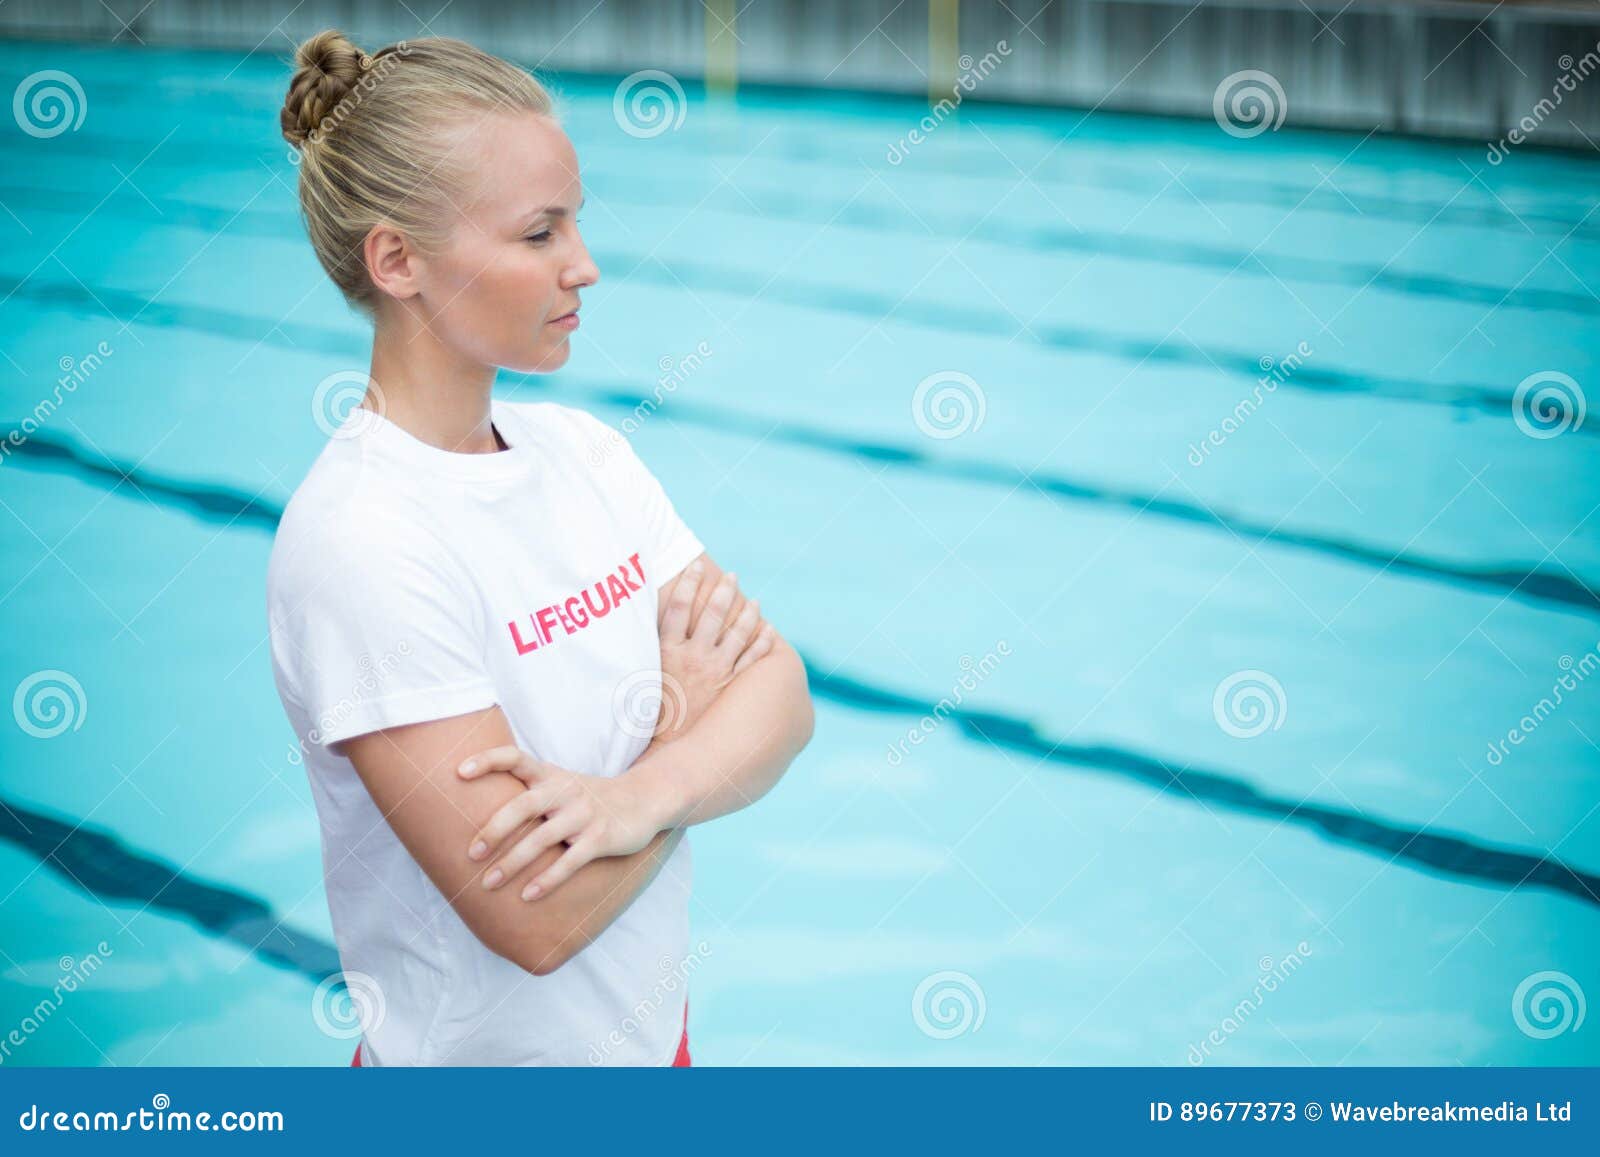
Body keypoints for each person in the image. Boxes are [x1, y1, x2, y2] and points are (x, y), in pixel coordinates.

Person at [265, 30, 815, 1066]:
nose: (585, 265)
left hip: (659, 1056)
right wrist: (686, 718)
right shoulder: (362, 540)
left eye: (577, 223)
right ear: (397, 260)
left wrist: (630, 796)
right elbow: (534, 920)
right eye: (538, 235)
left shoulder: (585, 452)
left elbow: (784, 699)